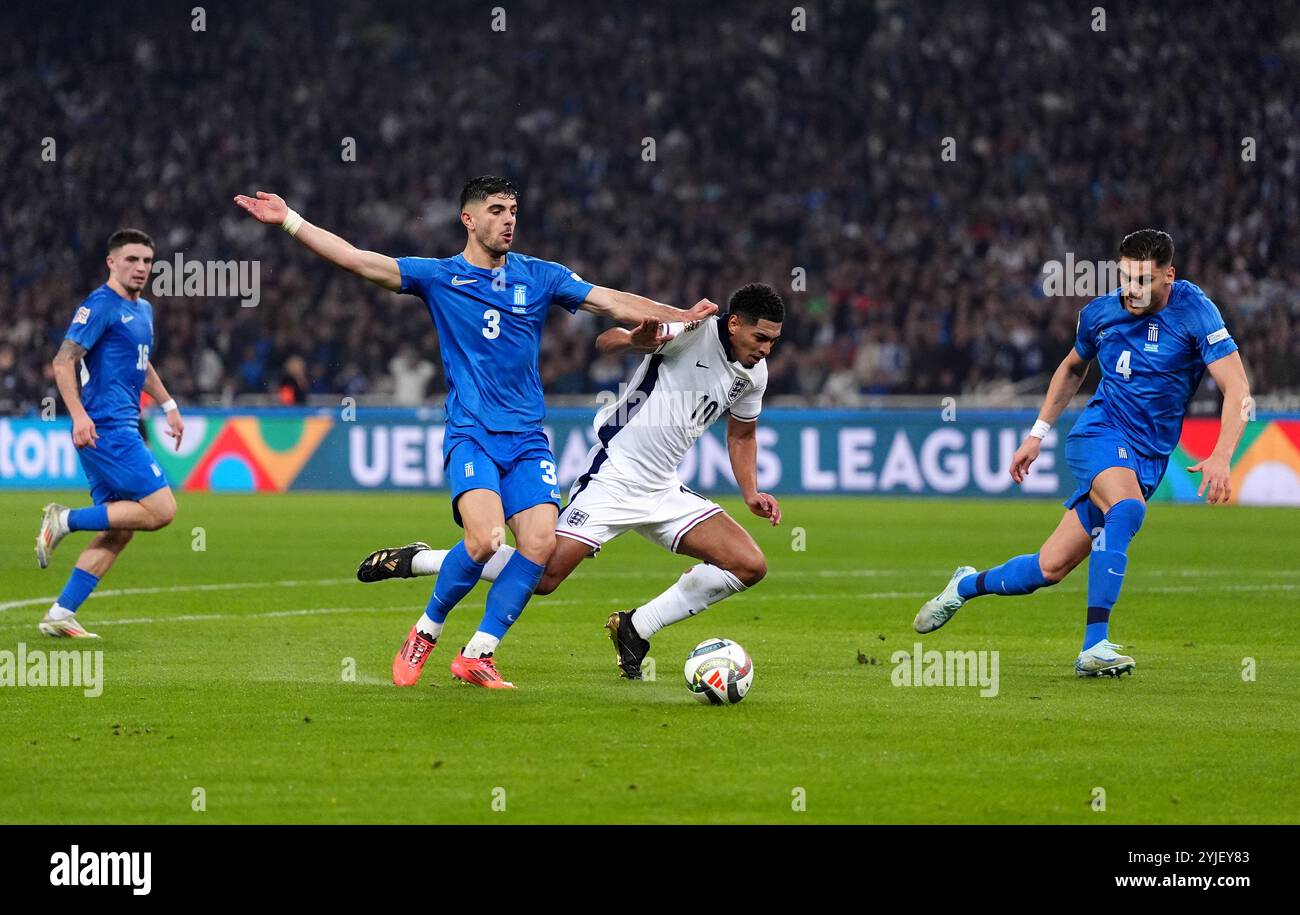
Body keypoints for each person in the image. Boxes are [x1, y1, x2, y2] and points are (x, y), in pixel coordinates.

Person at [235, 176, 715, 688]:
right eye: (496, 210)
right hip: (473, 433)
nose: (509, 219)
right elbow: (357, 259)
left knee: (539, 546)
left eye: (513, 209)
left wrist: (681, 317)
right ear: (468, 218)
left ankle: (478, 653)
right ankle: (426, 629)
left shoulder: (541, 276)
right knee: (485, 540)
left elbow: (613, 301)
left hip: (528, 439)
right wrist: (289, 220)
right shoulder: (439, 277)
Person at [357, 283, 785, 680]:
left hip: (663, 488)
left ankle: (636, 627)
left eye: (772, 342)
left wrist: (750, 492)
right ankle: (421, 560)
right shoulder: (692, 331)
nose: (765, 350)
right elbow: (606, 341)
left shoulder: (754, 374)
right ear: (734, 323)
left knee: (749, 564)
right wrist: (638, 341)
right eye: (760, 338)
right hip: (614, 474)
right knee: (542, 577)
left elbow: (742, 433)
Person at [914, 230, 1252, 677]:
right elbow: (1073, 366)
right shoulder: (1099, 314)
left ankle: (964, 585)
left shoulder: (1195, 311)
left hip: (1147, 456)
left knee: (1048, 569)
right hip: (1098, 433)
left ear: (1169, 276)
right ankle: (1095, 646)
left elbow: (1237, 388)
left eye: (1144, 280)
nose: (1132, 289)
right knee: (1127, 510)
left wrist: (1222, 454)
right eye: (1126, 277)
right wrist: (1037, 434)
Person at [35, 229, 184, 637]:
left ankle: (61, 614)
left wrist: (168, 405)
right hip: (106, 428)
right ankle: (64, 519)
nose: (140, 268)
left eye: (147, 262)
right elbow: (63, 362)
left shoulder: (144, 311)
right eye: (131, 259)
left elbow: (142, 364)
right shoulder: (100, 305)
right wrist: (80, 415)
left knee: (120, 530)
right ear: (111, 262)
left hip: (115, 427)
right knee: (163, 511)